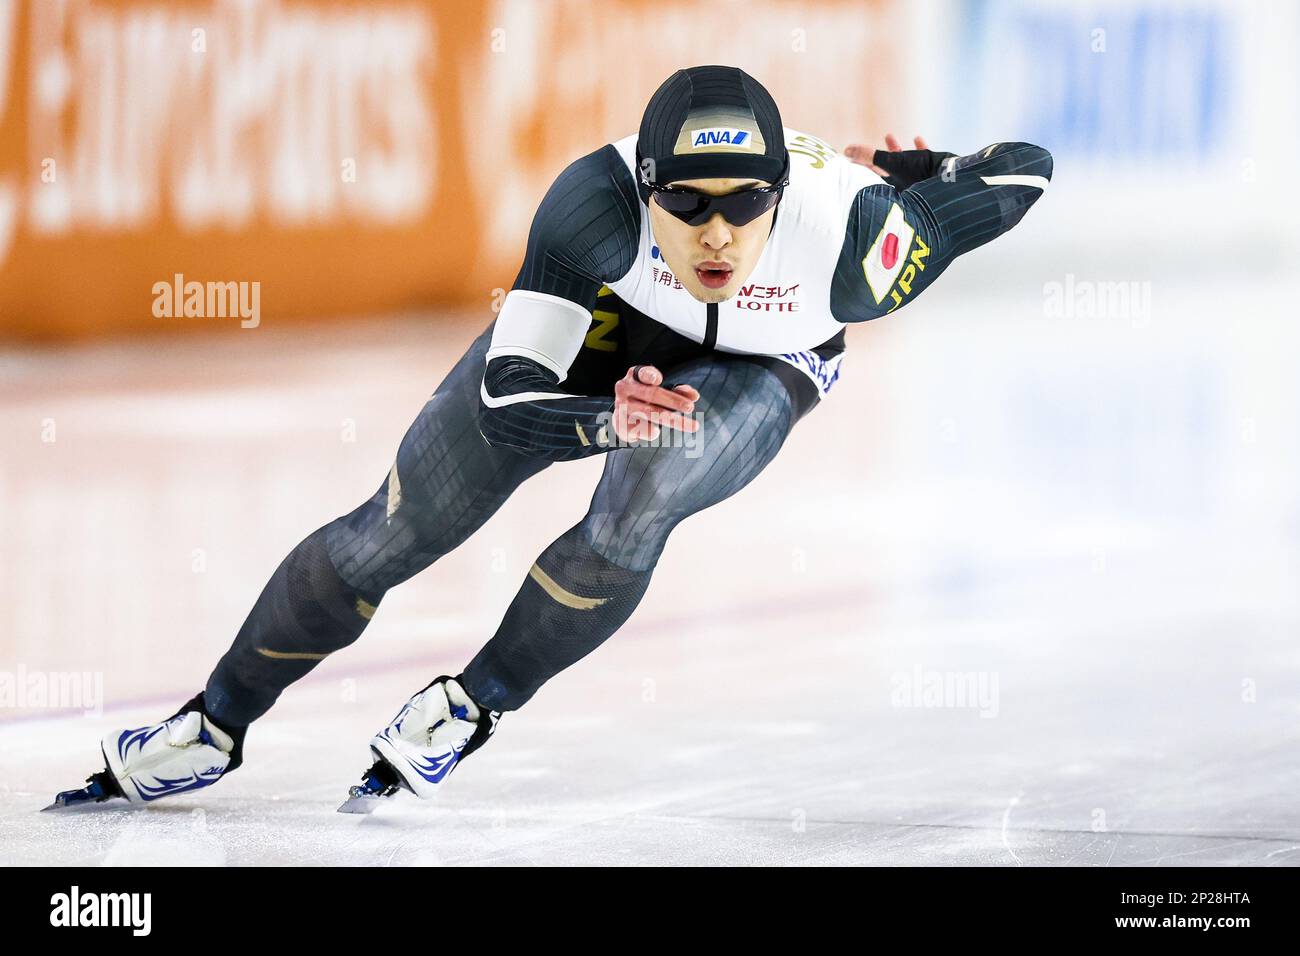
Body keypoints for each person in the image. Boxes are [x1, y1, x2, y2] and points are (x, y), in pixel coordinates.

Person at [49, 65, 1052, 810]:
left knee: (644, 495)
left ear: (781, 198)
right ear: (642, 186)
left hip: (765, 358)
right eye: (686, 205)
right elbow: (510, 386)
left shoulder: (860, 246)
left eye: (746, 205)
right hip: (607, 333)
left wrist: (935, 170)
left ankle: (472, 701)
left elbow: (1023, 174)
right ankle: (216, 719)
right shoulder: (591, 204)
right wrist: (598, 414)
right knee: (390, 532)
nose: (716, 235)